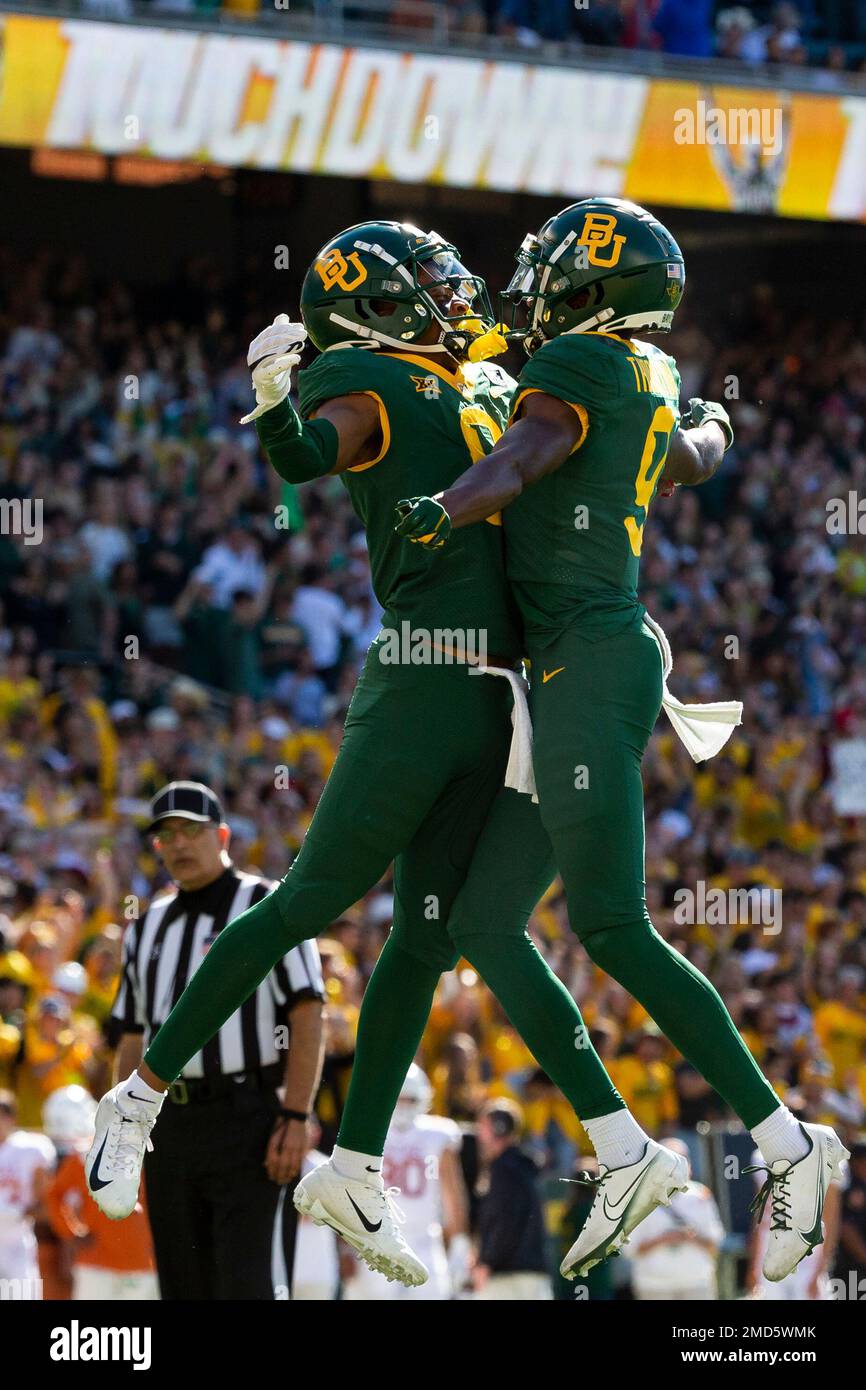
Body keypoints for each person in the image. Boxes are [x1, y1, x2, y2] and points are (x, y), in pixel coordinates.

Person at [87, 222, 684, 1289]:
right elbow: (315, 451)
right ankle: (139, 1098)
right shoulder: (367, 376)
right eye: (433, 286)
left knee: (423, 935)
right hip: (423, 675)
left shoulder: (483, 373)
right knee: (306, 899)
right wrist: (280, 406)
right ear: (376, 309)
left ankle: (356, 1166)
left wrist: (687, 418)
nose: (458, 297)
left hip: (501, 689)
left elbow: (586, 441)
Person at [394, 195, 848, 1284]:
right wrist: (725, 425)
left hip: (584, 656)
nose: (536, 278)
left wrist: (440, 506)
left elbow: (525, 456)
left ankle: (787, 1143)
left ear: (594, 288)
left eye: (556, 267)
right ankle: (619, 1142)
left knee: (610, 923)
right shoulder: (639, 370)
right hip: (579, 658)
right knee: (484, 919)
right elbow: (692, 453)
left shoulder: (585, 371)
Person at [98, 780, 325, 1300]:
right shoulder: (147, 922)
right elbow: (132, 1032)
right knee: (182, 1285)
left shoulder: (266, 903)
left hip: (248, 1117)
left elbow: (308, 1009)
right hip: (168, 1127)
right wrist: (123, 1136)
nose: (178, 844)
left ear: (222, 834)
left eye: (191, 831)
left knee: (250, 1286)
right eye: (166, 835)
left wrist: (295, 1114)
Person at [343, 1064, 470, 1300]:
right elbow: (352, 1192)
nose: (403, 1106)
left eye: (410, 1099)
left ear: (422, 1099)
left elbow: (453, 1193)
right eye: (398, 1099)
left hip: (424, 1240)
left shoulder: (437, 1134)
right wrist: (347, 1247)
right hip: (376, 1242)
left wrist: (459, 1248)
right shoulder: (366, 1131)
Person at [43, 1084, 158, 1301]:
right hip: (98, 1261)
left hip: (142, 1261)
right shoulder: (84, 1154)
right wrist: (71, 1233)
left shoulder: (152, 1151)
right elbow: (54, 1195)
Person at [472, 1099, 551, 1300]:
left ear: (497, 1128)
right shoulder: (521, 1166)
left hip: (508, 1277)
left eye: (483, 1127)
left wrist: (488, 1262)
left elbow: (505, 1220)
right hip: (531, 1272)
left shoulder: (504, 1168)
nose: (479, 1135)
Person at [628, 1138, 724, 1300]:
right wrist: (663, 1239)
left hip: (697, 1283)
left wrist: (691, 1238)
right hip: (654, 1286)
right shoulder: (641, 1198)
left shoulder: (701, 1195)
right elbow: (632, 1249)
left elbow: (715, 1243)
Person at [0, 1088, 55, 1299]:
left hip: (17, 1239)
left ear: (11, 1117)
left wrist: (19, 1212)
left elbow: (45, 1204)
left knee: (21, 1295)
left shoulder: (29, 1149)